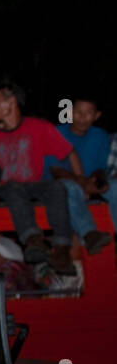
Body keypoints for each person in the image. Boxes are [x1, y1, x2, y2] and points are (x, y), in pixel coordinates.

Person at [0, 82, 81, 271]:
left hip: (33, 185)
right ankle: (33, 239)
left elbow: (69, 152)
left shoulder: (39, 127)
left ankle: (61, 249)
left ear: (11, 102)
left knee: (57, 187)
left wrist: (81, 185)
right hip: (5, 188)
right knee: (12, 187)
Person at [44, 97, 113, 254]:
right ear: (69, 113)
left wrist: (96, 182)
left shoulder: (100, 135)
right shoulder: (57, 133)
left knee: (114, 187)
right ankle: (89, 234)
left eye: (88, 113)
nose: (82, 117)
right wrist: (83, 185)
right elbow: (57, 171)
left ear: (96, 116)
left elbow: (101, 168)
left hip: (88, 185)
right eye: (78, 112)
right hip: (62, 185)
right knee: (69, 187)